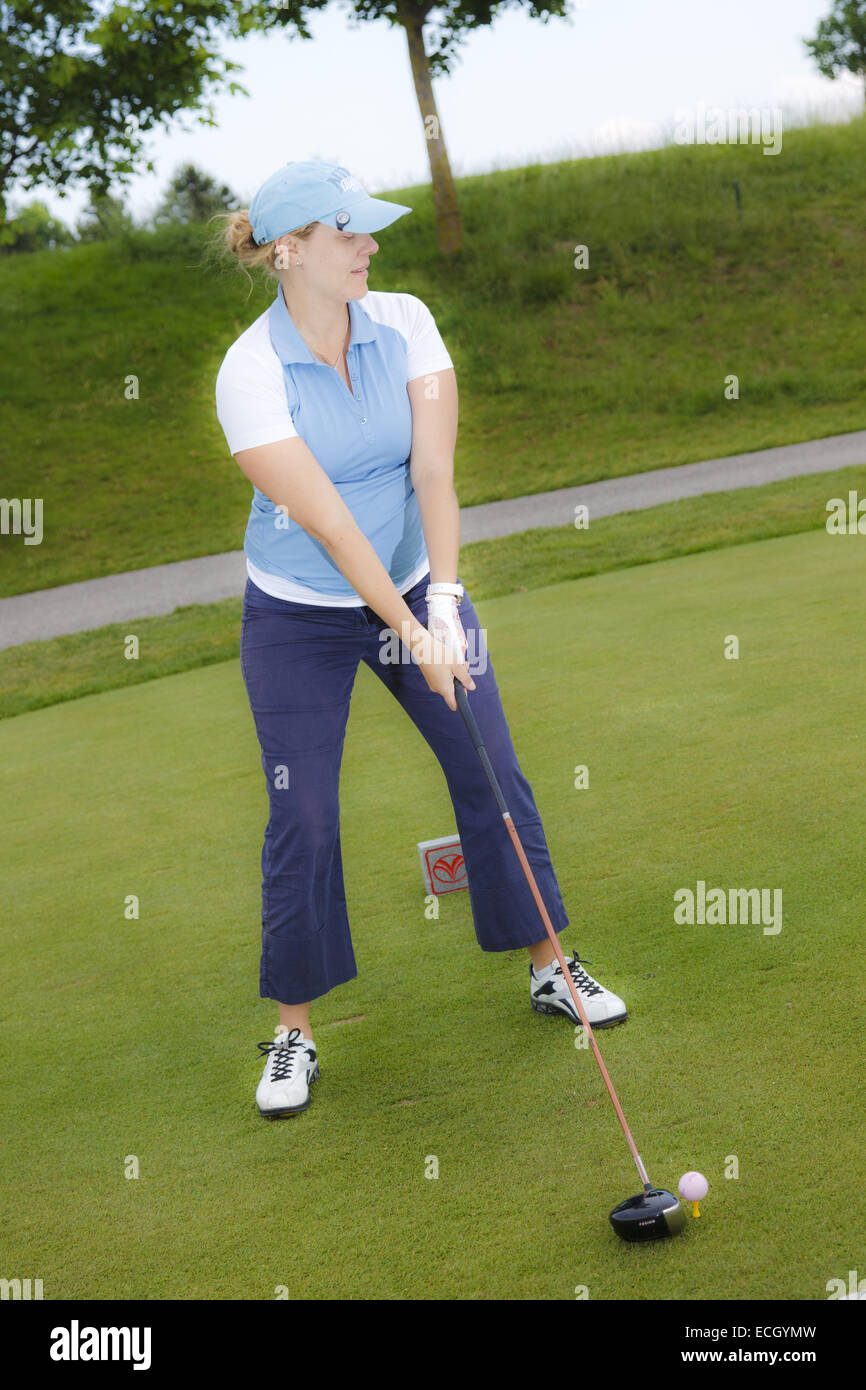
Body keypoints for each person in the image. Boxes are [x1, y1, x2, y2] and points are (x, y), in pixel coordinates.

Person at [213, 160, 627, 1120]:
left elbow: (433, 474)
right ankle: (293, 1034)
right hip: (296, 615)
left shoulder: (405, 321)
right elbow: (330, 524)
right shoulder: (250, 372)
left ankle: (548, 966)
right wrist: (407, 629)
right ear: (290, 251)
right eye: (348, 233)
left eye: (369, 231)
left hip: (414, 582)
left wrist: (442, 603)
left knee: (490, 765)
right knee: (304, 812)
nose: (370, 246)